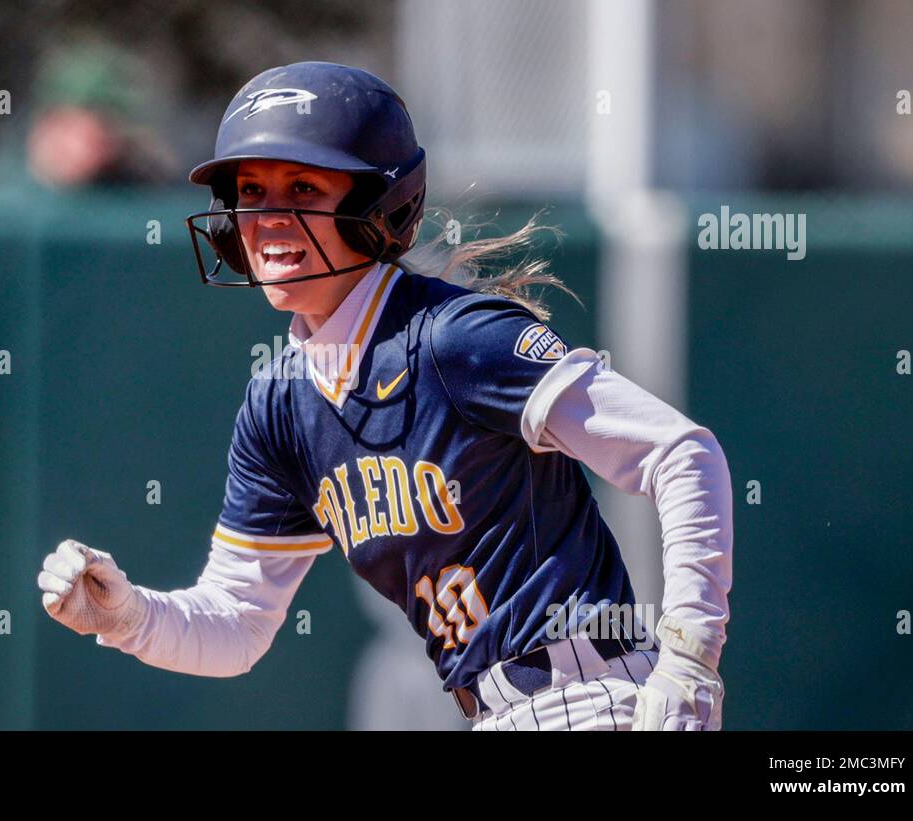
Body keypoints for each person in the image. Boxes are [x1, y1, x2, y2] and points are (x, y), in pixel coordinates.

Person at [38, 62, 733, 731]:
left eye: (304, 189)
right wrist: (128, 617)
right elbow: (239, 619)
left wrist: (691, 656)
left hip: (589, 698)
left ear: (378, 206)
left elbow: (679, 452)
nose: (269, 216)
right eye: (251, 192)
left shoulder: (454, 340)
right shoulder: (281, 402)